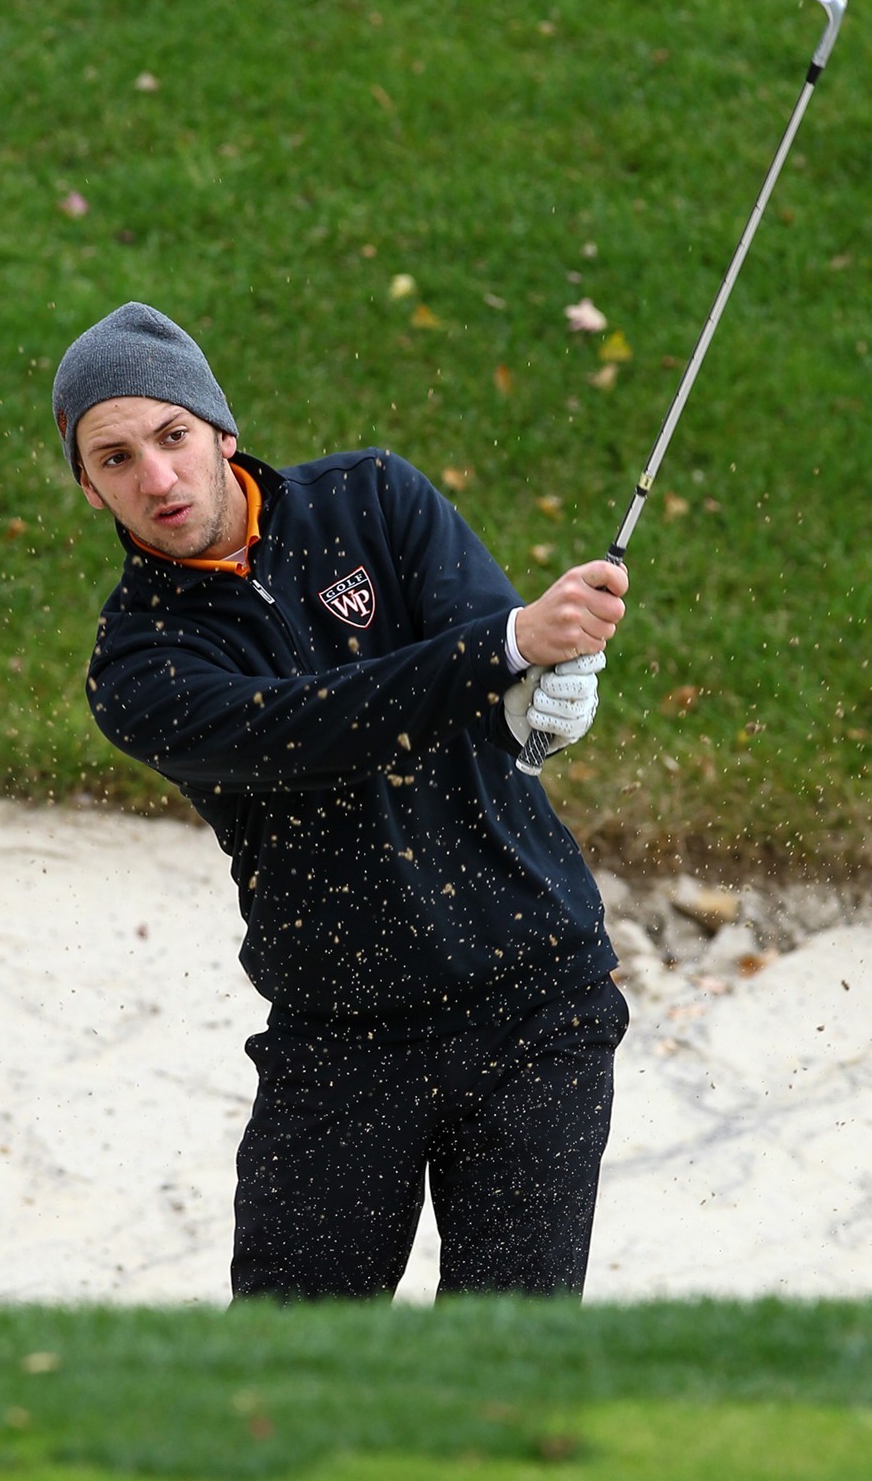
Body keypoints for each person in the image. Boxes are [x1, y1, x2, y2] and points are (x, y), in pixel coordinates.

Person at [52, 301, 630, 1303]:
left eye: (172, 437)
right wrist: (504, 651)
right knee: (287, 1363)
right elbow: (310, 730)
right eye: (114, 458)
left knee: (510, 1359)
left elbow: (492, 701)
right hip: (341, 1036)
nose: (155, 478)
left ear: (220, 432)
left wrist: (541, 699)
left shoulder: (371, 498)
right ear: (89, 485)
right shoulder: (139, 663)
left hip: (534, 996)